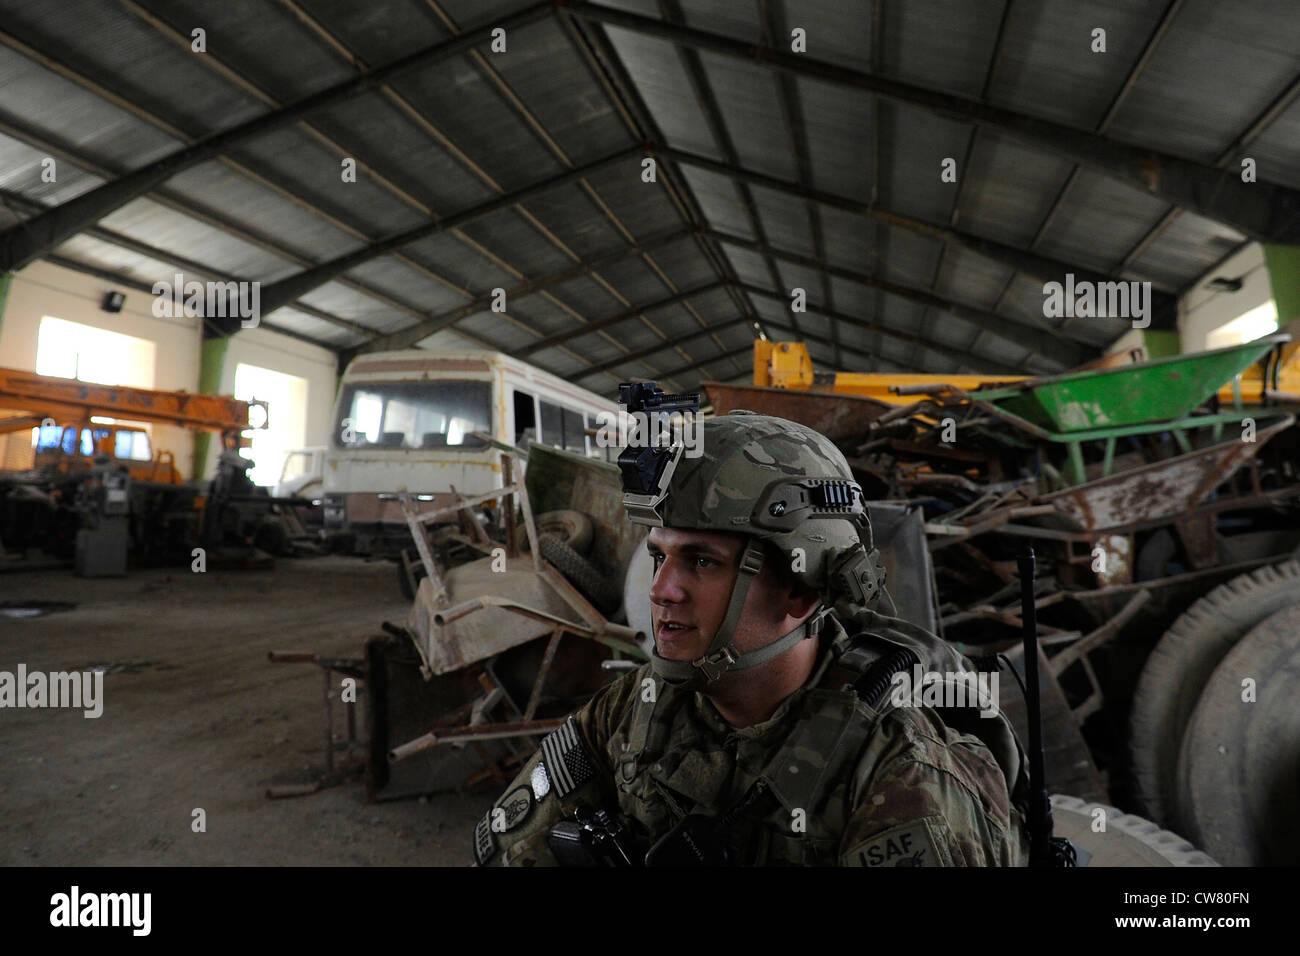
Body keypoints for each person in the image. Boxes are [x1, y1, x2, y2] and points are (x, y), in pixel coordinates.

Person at [473, 407, 1031, 866]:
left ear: (801, 591)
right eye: (659, 556)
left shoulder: (905, 773)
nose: (663, 590)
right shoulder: (635, 706)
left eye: (704, 563)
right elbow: (506, 849)